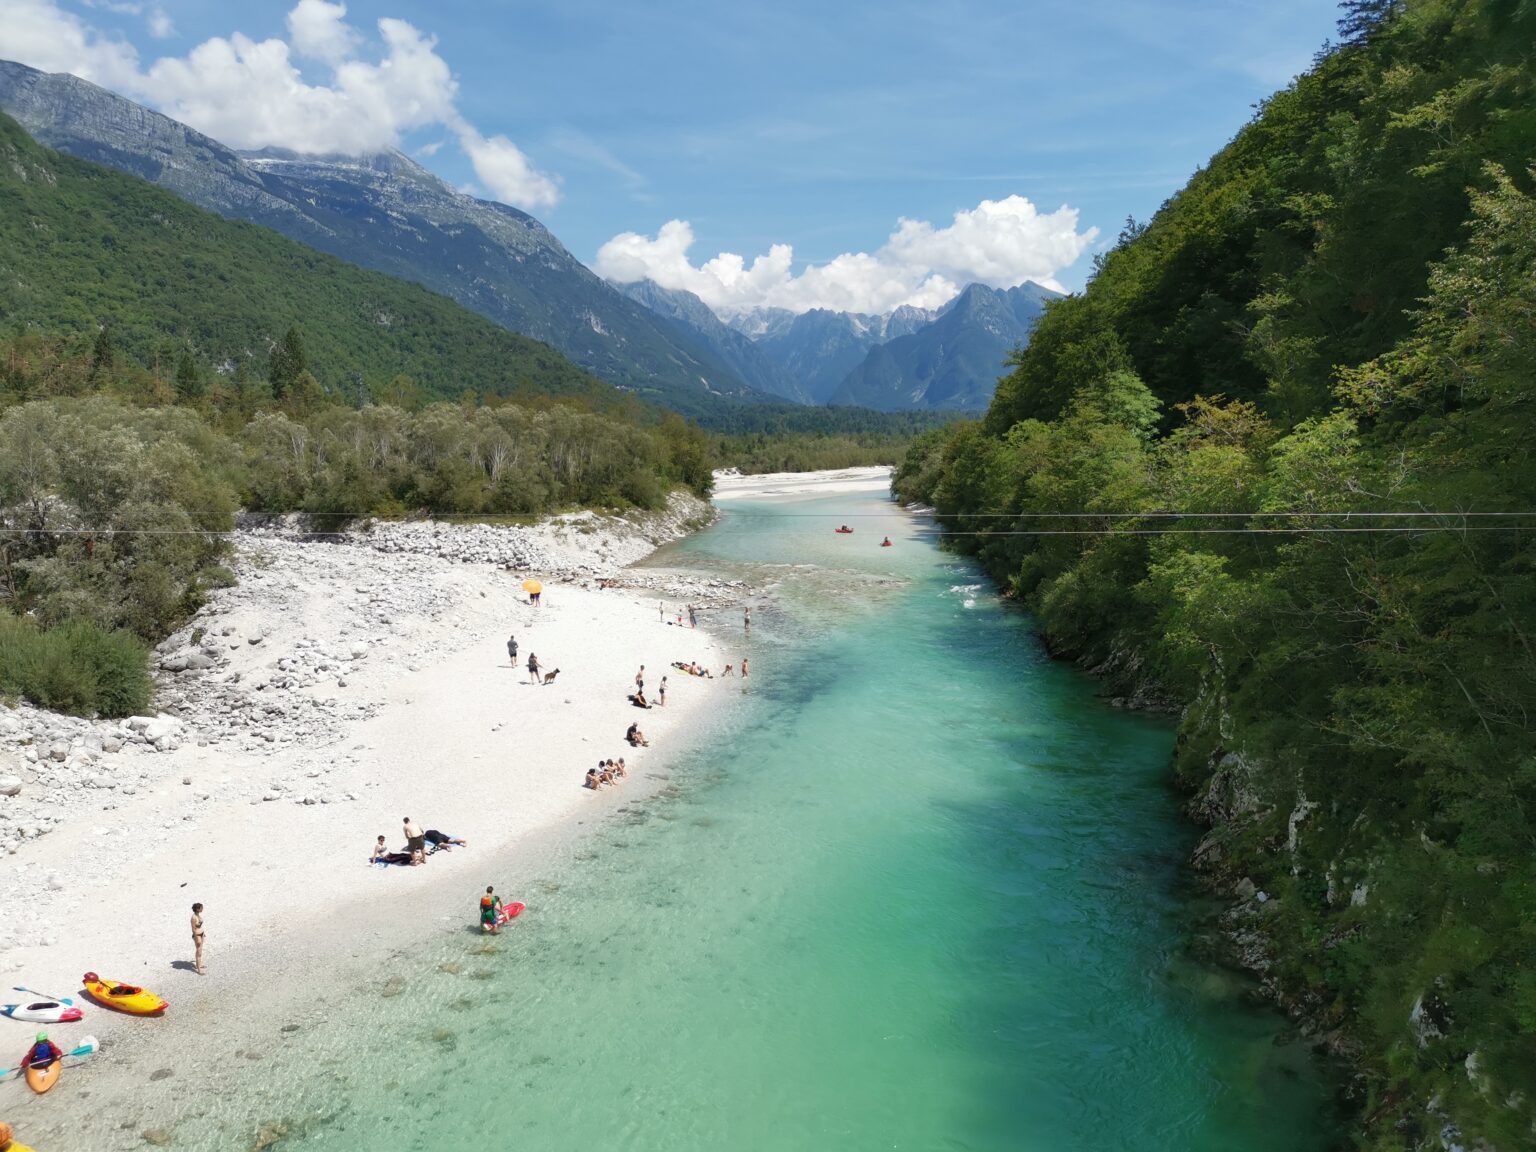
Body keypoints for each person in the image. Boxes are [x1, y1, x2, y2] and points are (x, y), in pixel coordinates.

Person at [191, 902, 206, 976]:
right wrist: (197, 938)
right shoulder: (193, 917)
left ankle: (199, 965)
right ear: (197, 909)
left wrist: (203, 934)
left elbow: (199, 926)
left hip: (201, 934)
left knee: (200, 950)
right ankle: (199, 970)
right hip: (197, 935)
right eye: (201, 908)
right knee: (198, 951)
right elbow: (193, 929)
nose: (202, 909)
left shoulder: (198, 915)